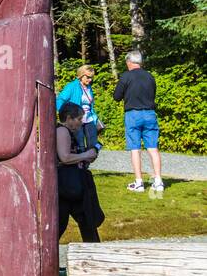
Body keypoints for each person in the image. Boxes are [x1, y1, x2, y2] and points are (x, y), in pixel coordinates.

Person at [112, 51, 162, 194]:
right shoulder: (150, 76)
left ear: (129, 62)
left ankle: (139, 183)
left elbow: (116, 97)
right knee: (153, 148)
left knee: (135, 148)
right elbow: (153, 94)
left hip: (133, 114)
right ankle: (158, 181)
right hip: (150, 114)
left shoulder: (126, 76)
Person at [57, 102, 104, 242]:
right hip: (67, 185)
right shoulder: (62, 131)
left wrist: (86, 157)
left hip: (70, 185)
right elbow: (64, 157)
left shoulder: (67, 132)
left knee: (86, 220)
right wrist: (85, 155)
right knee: (65, 223)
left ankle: (94, 253)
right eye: (78, 119)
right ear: (69, 118)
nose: (81, 122)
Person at [56, 65, 102, 152]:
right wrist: (65, 116)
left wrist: (95, 118)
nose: (90, 80)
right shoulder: (71, 86)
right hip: (76, 120)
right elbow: (60, 100)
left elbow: (90, 105)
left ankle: (88, 162)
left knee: (93, 145)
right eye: (88, 77)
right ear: (81, 75)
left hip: (89, 119)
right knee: (79, 145)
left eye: (91, 77)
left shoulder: (89, 88)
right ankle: (80, 163)